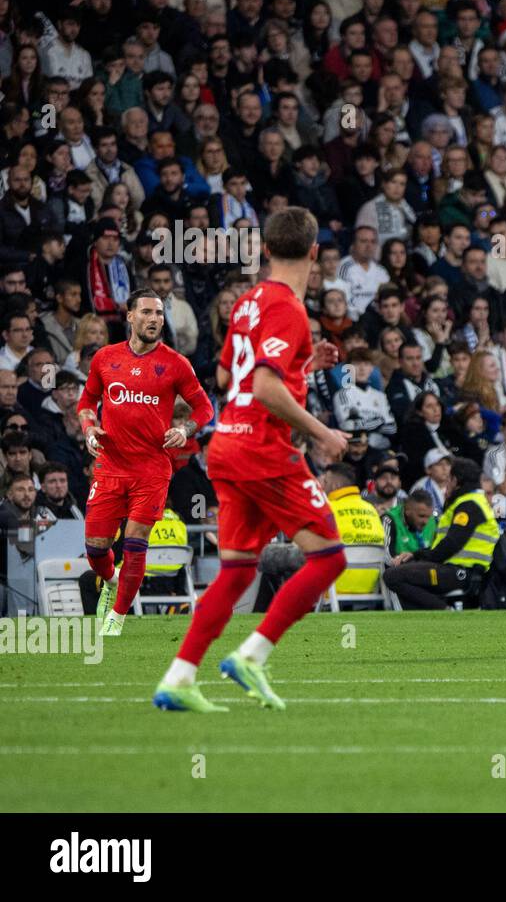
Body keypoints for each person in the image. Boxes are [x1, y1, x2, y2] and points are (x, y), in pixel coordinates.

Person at [154, 208, 350, 713]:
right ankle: (252, 655)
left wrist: (304, 364)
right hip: (262, 449)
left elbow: (225, 379)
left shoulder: (245, 304)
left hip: (225, 445)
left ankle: (178, 678)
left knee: (238, 571)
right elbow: (263, 386)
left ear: (265, 250)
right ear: (314, 253)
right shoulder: (289, 308)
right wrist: (322, 432)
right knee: (330, 557)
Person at [76, 289, 213, 637]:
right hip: (109, 465)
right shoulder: (105, 359)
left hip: (152, 469)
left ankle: (117, 619)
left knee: (136, 543)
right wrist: (90, 430)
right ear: (130, 316)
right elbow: (87, 402)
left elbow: (204, 409)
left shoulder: (175, 363)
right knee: (96, 549)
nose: (155, 319)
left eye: (160, 314)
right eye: (148, 312)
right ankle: (111, 580)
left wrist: (185, 429)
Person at [383, 456, 501, 609]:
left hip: (461, 573)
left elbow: (451, 545)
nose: (446, 484)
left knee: (393, 576)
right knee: (406, 570)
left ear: (455, 480)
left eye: (449, 479)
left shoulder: (469, 505)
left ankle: (444, 611)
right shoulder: (471, 502)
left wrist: (421, 556)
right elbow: (445, 545)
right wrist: (416, 555)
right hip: (461, 571)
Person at [319, 463, 386, 596]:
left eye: (324, 481)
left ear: (335, 485)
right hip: (369, 585)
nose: (321, 485)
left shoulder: (326, 509)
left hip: (333, 586)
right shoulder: (371, 509)